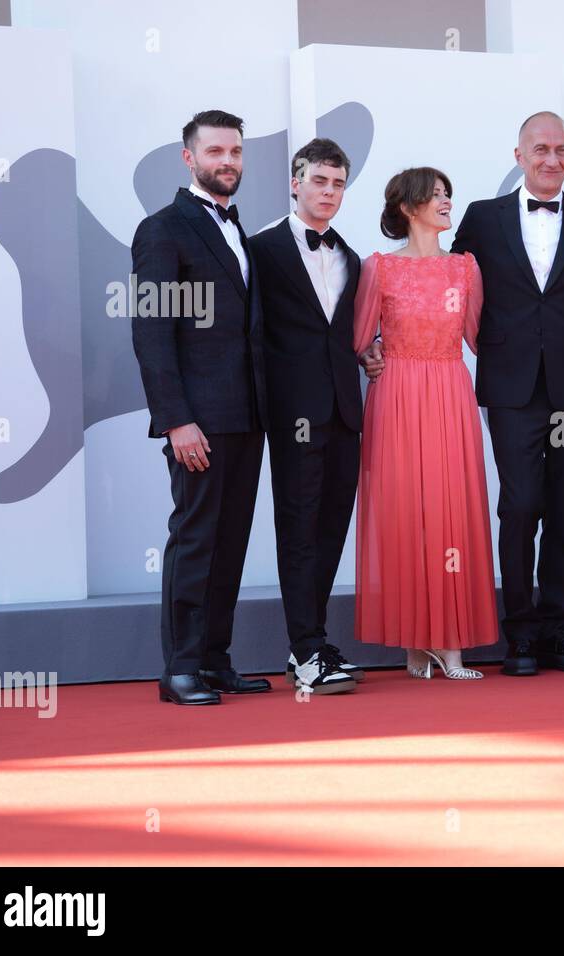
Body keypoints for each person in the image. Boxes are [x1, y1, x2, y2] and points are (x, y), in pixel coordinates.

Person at [451, 111, 564, 677]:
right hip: (510, 387)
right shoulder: (481, 218)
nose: (553, 160)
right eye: (542, 149)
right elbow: (445, 284)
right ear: (519, 154)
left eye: (563, 150)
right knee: (521, 504)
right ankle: (519, 635)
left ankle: (556, 630)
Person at [131, 109, 270, 704]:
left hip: (247, 416)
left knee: (231, 540)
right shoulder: (163, 228)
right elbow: (152, 332)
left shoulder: (239, 229)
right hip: (198, 421)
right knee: (195, 538)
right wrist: (176, 419)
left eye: (235, 152)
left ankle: (215, 660)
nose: (228, 162)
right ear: (189, 158)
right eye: (215, 152)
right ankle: (180, 668)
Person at [352, 168, 497, 679]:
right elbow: (357, 337)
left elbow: (483, 339)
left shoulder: (466, 269)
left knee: (450, 510)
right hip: (395, 397)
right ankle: (416, 643)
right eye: (434, 195)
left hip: (449, 392)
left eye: (447, 193)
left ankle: (451, 643)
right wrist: (371, 354)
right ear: (408, 207)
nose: (446, 201)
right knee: (404, 513)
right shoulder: (379, 268)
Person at [250, 138, 363, 695]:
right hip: (292, 413)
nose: (329, 192)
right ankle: (306, 649)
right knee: (297, 529)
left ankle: (310, 644)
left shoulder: (352, 256)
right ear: (295, 183)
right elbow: (250, 336)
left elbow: (344, 334)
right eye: (319, 181)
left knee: (331, 529)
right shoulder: (261, 250)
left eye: (338, 183)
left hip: (346, 411)